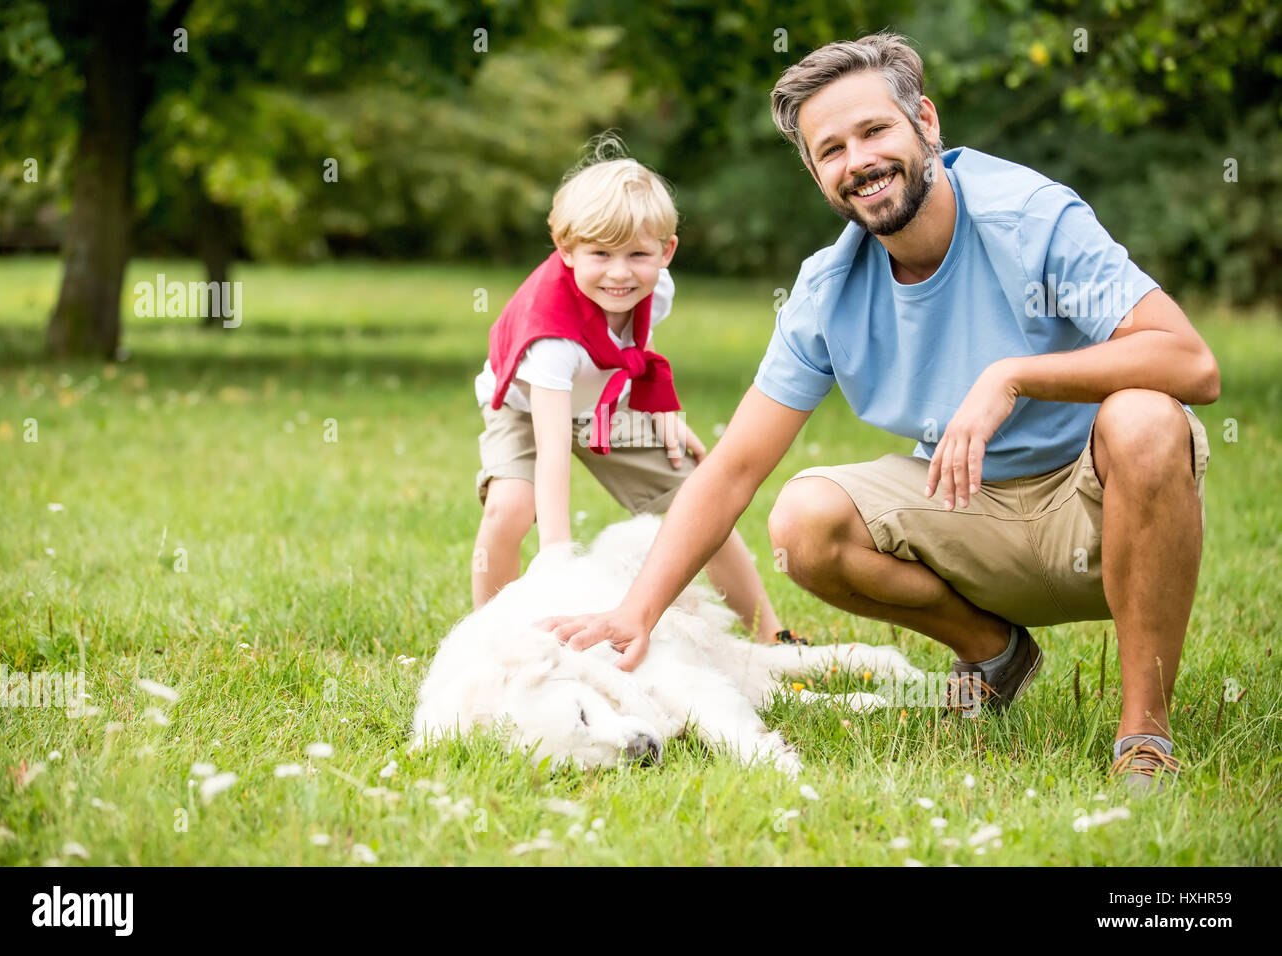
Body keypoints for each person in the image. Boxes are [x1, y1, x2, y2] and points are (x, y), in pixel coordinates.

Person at [539, 35, 1219, 793]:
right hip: (969, 512)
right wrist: (637, 612)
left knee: (1146, 420)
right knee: (803, 519)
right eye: (830, 149)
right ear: (815, 172)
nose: (857, 160)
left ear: (925, 121)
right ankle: (995, 653)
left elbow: (1191, 363)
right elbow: (734, 467)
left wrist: (1015, 376)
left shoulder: (1031, 218)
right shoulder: (828, 289)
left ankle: (1143, 733)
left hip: (1098, 516)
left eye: (874, 131)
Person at [472, 140, 791, 644]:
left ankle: (774, 635)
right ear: (566, 250)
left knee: (698, 496)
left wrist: (662, 412)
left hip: (603, 404)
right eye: (600, 254)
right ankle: (492, 638)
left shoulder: (655, 288)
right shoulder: (550, 337)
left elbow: (637, 350)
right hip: (528, 409)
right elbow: (552, 451)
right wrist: (556, 554)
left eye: (637, 255)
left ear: (666, 252)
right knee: (508, 508)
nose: (620, 273)